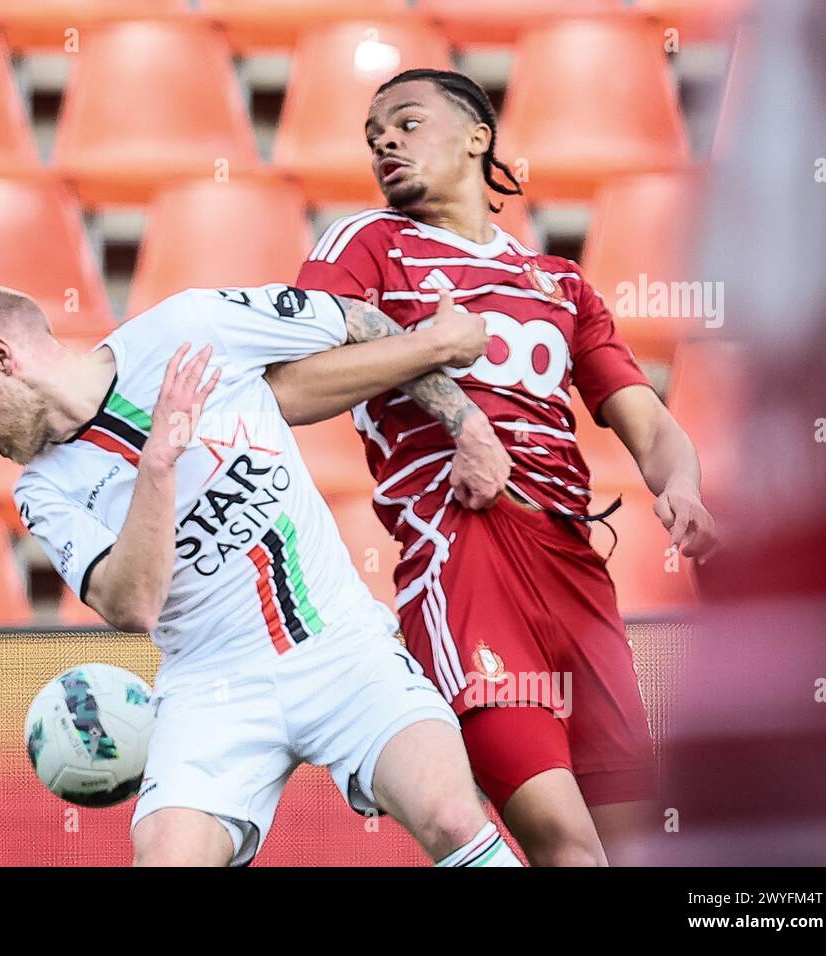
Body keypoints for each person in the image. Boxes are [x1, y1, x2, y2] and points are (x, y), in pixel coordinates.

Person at [269, 69, 717, 865]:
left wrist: (681, 486)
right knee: (567, 845)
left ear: (478, 137)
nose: (385, 144)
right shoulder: (368, 245)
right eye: (374, 136)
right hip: (465, 567)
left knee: (640, 851)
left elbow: (649, 425)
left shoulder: (561, 283)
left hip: (577, 578)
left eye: (406, 123)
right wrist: (433, 353)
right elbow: (288, 390)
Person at [0, 282, 521, 867]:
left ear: (2, 355)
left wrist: (462, 419)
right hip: (211, 689)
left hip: (341, 645)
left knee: (451, 816)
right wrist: (159, 461)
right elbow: (133, 606)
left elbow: (350, 321)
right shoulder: (43, 491)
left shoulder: (190, 327)